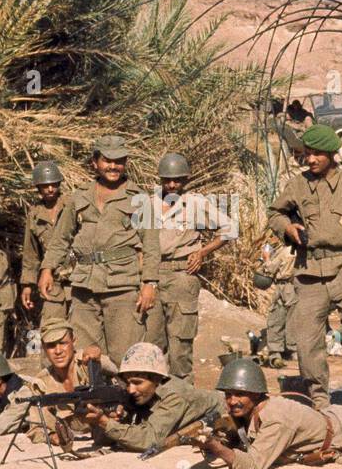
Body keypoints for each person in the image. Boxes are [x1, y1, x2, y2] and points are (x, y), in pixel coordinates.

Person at [267, 124, 342, 408]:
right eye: (307, 154)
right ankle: (318, 397)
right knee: (307, 341)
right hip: (308, 270)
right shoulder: (297, 184)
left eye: (316, 154)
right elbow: (274, 213)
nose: (310, 159)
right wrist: (288, 227)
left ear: (331, 154)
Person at [37, 135, 159, 365]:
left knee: (125, 355)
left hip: (122, 286)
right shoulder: (78, 196)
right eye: (107, 160)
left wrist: (149, 284)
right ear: (94, 162)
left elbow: (151, 245)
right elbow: (61, 238)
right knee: (84, 354)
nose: (113, 166)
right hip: (84, 287)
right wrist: (47, 268)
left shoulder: (138, 199)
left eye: (119, 161)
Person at [198, 358, 342, 469]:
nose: (232, 401)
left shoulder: (276, 418)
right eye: (228, 395)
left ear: (257, 393)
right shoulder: (257, 409)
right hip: (340, 418)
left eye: (240, 394)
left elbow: (253, 465)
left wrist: (218, 449)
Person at [146, 152, 237, 380]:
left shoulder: (196, 203)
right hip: (153, 274)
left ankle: (184, 396)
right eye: (167, 180)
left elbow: (229, 229)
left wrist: (203, 251)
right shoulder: (149, 204)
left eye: (177, 180)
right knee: (152, 342)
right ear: (161, 180)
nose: (172, 184)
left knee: (180, 344)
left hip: (182, 275)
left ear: (186, 180)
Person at [80, 342, 224, 453]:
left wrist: (105, 422)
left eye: (137, 383)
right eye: (127, 383)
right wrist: (112, 418)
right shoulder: (142, 396)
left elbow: (150, 440)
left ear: (156, 379)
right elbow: (103, 441)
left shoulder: (174, 396)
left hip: (231, 415)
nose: (131, 390)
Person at [30, 321, 119, 443]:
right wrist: (54, 438)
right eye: (51, 345)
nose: (58, 351)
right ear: (44, 348)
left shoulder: (87, 361)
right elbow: (35, 430)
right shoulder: (42, 382)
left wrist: (96, 355)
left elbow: (113, 368)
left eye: (63, 343)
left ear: (74, 342)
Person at [20, 160, 72, 325]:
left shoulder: (72, 205)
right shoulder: (35, 215)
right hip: (53, 281)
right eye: (45, 185)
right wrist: (27, 285)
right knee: (51, 329)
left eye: (54, 184)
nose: (50, 189)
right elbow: (31, 254)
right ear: (38, 187)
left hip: (79, 280)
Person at [256, 239, 297, 368]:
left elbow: (270, 268)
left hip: (283, 287)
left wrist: (266, 258)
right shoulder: (301, 250)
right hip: (296, 287)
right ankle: (294, 351)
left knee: (276, 319)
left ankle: (276, 354)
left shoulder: (285, 251)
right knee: (293, 318)